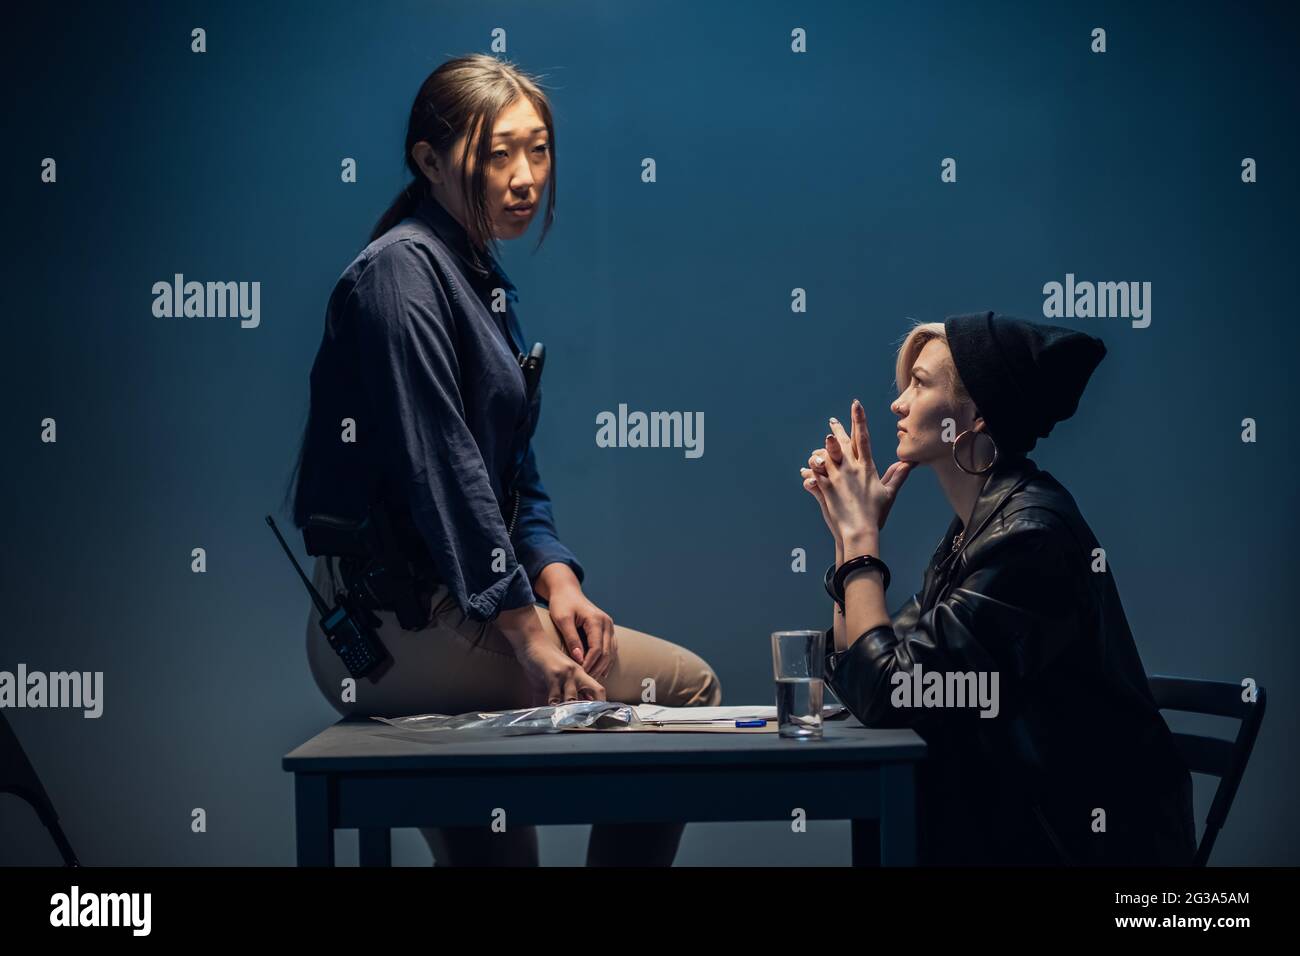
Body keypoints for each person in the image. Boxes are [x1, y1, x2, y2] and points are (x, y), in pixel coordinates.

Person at [284, 54, 721, 866]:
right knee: (687, 688)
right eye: (497, 153)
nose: (525, 177)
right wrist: (526, 628)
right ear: (427, 160)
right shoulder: (399, 274)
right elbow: (440, 468)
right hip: (394, 626)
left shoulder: (475, 276)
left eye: (540, 149)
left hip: (461, 604)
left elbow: (513, 476)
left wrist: (558, 578)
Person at [799, 312, 1197, 865]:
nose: (898, 403)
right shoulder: (977, 531)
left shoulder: (1029, 536)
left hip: (1073, 847)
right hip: (1003, 824)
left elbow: (889, 690)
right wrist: (848, 540)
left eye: (920, 383)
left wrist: (863, 537)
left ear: (977, 414)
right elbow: (873, 673)